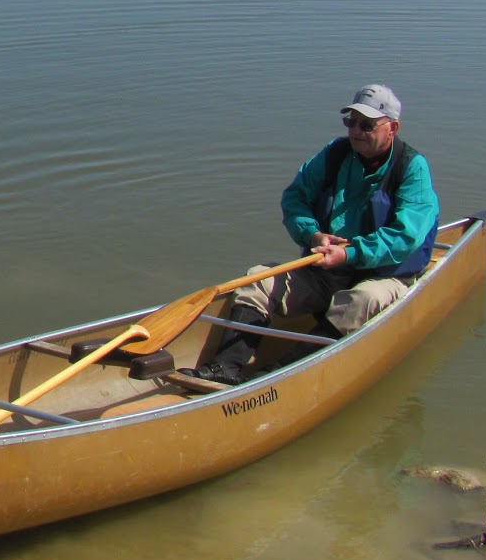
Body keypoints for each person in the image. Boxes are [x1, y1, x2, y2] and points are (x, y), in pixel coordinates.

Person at [189, 84, 441, 385]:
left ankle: (278, 376)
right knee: (257, 280)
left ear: (393, 127)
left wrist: (349, 253)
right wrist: (312, 236)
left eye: (367, 125)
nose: (356, 131)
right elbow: (294, 199)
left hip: (383, 274)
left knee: (360, 300)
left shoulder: (412, 168)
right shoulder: (335, 154)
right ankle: (224, 367)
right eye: (351, 122)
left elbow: (406, 236)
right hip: (327, 270)